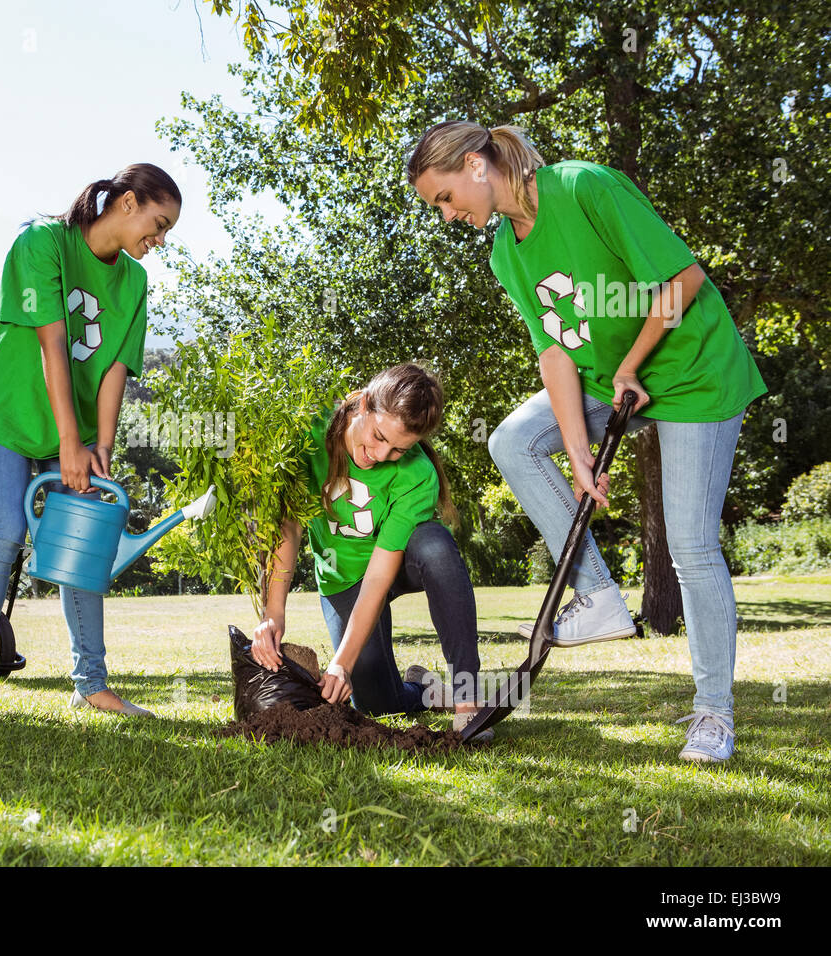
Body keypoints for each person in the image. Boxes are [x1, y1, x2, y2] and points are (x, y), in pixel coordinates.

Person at [408, 121, 767, 762]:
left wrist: (632, 366)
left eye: (444, 196)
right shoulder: (505, 253)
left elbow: (683, 281)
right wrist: (575, 448)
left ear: (475, 165)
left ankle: (713, 716)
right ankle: (598, 595)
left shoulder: (585, 187)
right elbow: (553, 350)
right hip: (608, 380)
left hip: (694, 374)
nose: (447, 213)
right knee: (514, 441)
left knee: (689, 545)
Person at [0, 163, 182, 721]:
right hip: (6, 414)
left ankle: (92, 684)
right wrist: (70, 440)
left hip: (75, 427)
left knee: (84, 533)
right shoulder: (42, 241)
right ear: (126, 203)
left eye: (167, 232)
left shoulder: (135, 282)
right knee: (5, 529)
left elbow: (115, 368)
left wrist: (101, 448)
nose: (160, 240)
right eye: (158, 224)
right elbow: (52, 348)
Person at [250, 364, 491, 740]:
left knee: (435, 545)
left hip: (393, 565)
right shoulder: (309, 436)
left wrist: (340, 664)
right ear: (361, 404)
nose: (380, 455)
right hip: (343, 575)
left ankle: (466, 697)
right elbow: (290, 527)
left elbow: (380, 573)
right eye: (378, 437)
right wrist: (274, 613)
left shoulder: (417, 474)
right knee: (376, 701)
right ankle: (424, 689)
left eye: (398, 449)